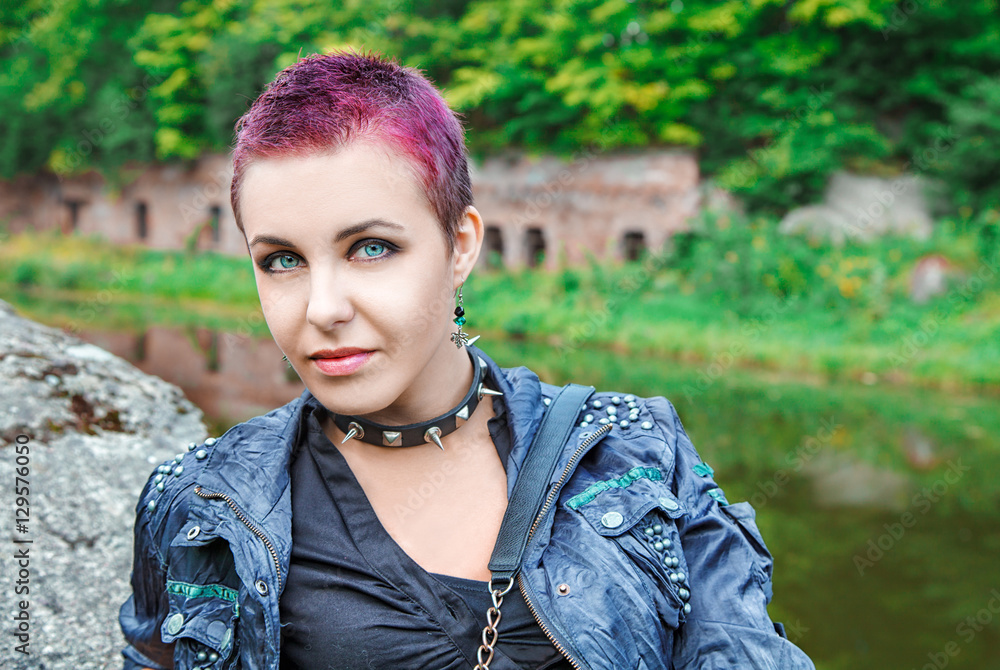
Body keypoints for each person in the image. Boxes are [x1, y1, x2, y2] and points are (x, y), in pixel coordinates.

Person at [119, 50, 815, 670]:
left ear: (460, 246)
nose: (321, 308)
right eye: (282, 260)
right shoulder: (198, 507)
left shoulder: (635, 453)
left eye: (371, 248)